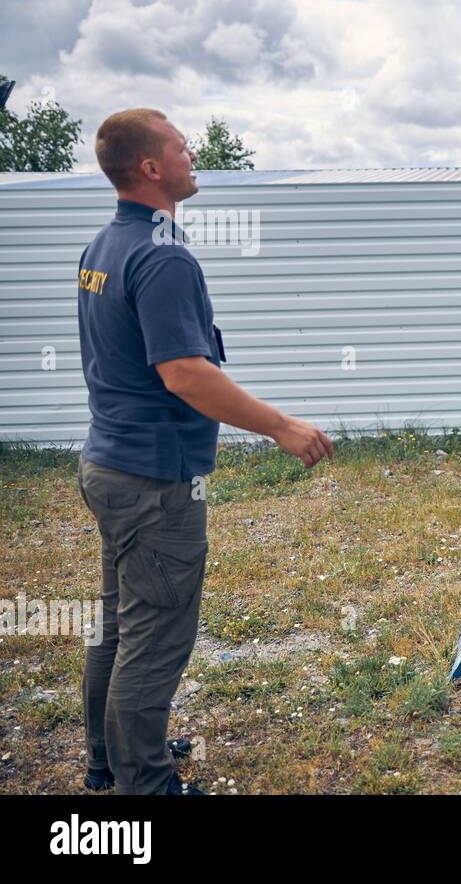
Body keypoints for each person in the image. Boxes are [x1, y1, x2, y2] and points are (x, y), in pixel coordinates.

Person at [76, 108, 334, 794]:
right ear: (152, 168)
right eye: (182, 147)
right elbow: (185, 373)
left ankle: (112, 758)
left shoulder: (104, 246)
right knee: (155, 637)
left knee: (118, 625)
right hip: (152, 481)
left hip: (108, 464)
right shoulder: (161, 257)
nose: (194, 156)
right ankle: (146, 785)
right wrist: (281, 426)